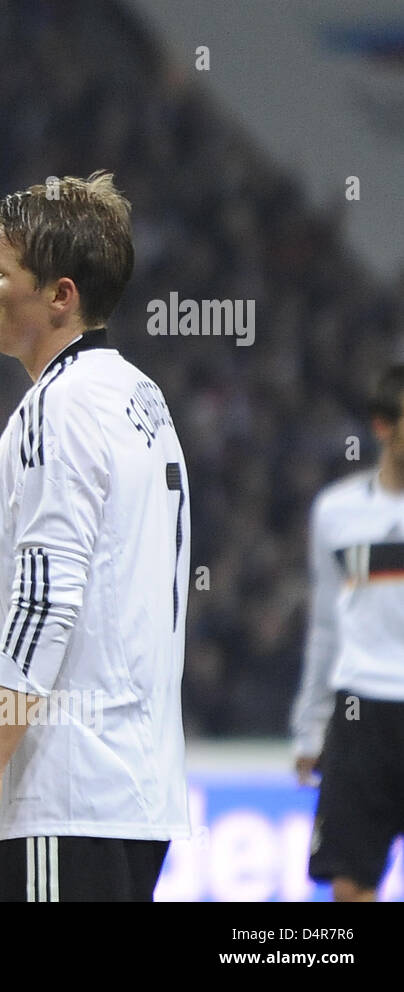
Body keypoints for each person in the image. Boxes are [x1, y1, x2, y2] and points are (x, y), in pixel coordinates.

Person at [0, 172, 190, 902]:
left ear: (61, 294)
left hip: (66, 792)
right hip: (132, 788)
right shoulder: (140, 396)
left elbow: (45, 601)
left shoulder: (62, 408)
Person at [291, 364, 404, 902]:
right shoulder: (337, 514)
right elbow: (325, 626)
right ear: (383, 426)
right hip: (361, 715)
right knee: (352, 886)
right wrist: (311, 728)